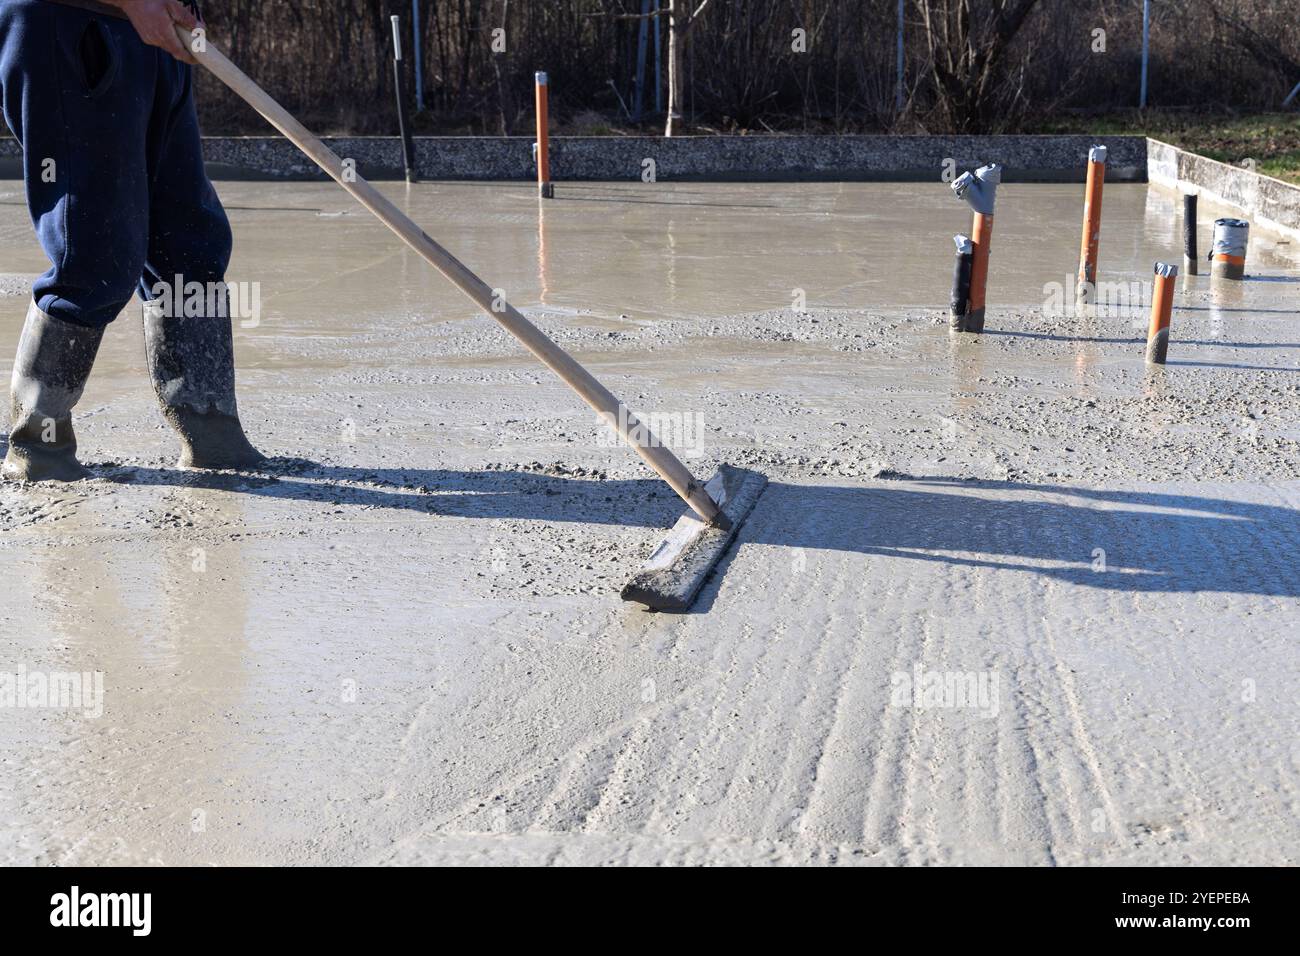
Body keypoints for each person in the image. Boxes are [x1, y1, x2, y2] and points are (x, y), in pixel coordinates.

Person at [0, 0, 262, 481]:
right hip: (73, 21)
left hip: (151, 34)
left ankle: (212, 430)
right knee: (94, 251)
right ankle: (39, 444)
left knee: (190, 243)